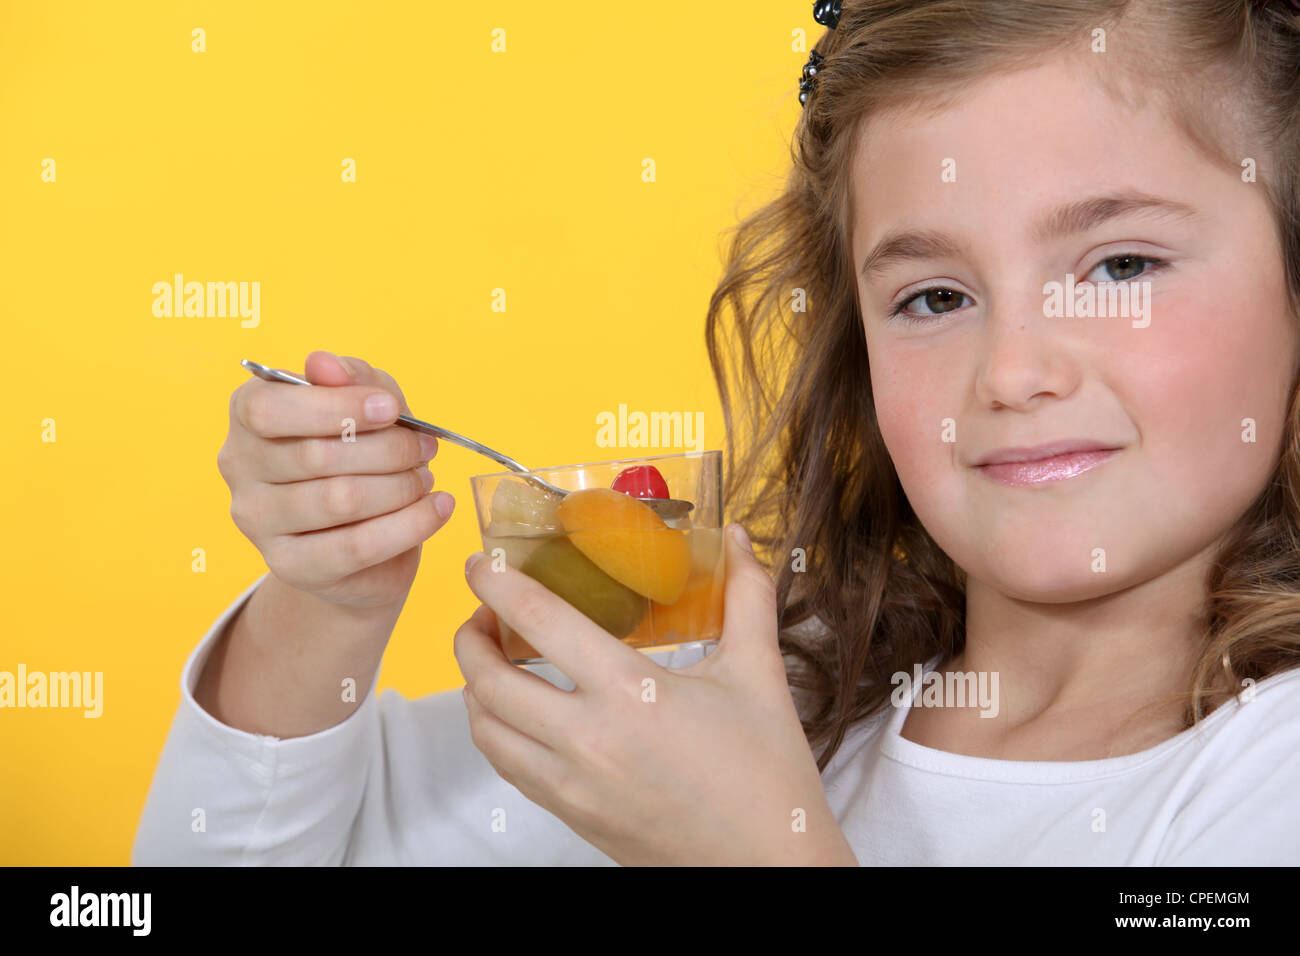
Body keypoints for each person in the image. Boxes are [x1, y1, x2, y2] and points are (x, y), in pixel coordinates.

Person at [134, 0, 1300, 865]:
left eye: (1120, 264)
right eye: (933, 297)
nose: (1013, 371)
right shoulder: (743, 684)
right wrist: (326, 602)